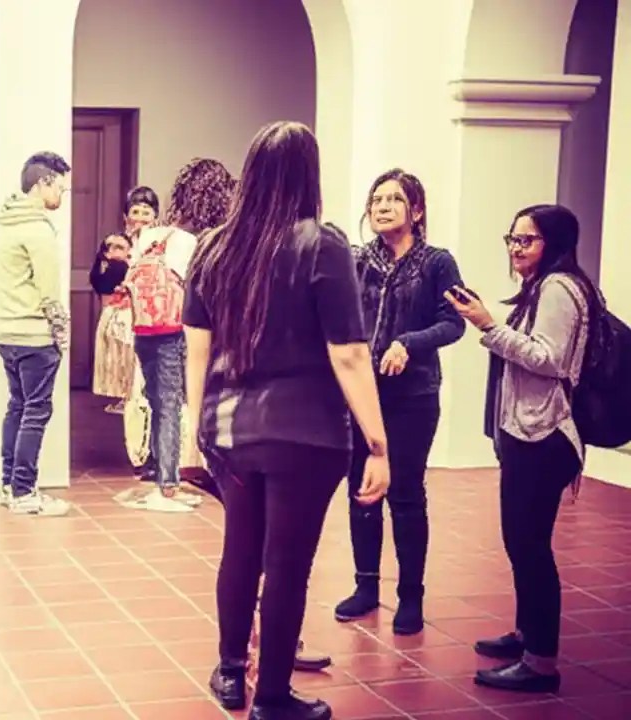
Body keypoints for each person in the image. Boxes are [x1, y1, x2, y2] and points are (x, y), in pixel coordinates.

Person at [183, 121, 390, 719]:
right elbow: (348, 352)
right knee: (287, 566)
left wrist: (199, 432)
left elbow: (196, 349)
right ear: (309, 173)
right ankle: (272, 698)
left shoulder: (214, 245)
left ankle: (229, 673)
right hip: (305, 434)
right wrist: (378, 444)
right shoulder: (320, 244)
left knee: (240, 553)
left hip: (229, 432)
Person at [446, 204, 599, 694]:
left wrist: (488, 325)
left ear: (552, 244)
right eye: (511, 238)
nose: (515, 247)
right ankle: (526, 633)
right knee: (521, 542)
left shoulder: (559, 288)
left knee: (530, 547)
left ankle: (540, 662)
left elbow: (547, 358)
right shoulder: (542, 286)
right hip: (525, 432)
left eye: (526, 240)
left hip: (544, 435)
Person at [334, 169, 465, 635]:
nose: (383, 206)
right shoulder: (355, 259)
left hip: (414, 396)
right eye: (376, 199)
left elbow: (455, 323)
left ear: (417, 210)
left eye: (394, 199)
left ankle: (410, 595)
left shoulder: (436, 262)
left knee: (406, 494)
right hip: (361, 395)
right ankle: (366, 587)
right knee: (362, 491)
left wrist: (409, 342)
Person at [118, 159, 236, 513]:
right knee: (174, 406)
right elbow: (197, 291)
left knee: (158, 404)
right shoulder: (187, 241)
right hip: (173, 332)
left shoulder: (151, 235)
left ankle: (162, 477)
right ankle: (167, 487)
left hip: (145, 330)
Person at [0, 151, 72, 516]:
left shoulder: (6, 223)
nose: (62, 195)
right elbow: (49, 292)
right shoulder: (38, 229)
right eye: (61, 187)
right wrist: (61, 335)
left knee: (18, 407)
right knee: (36, 411)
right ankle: (25, 493)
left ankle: (10, 486)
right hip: (34, 335)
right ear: (43, 183)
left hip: (6, 332)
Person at [91, 186, 158, 415]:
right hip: (120, 308)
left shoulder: (158, 244)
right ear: (126, 215)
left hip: (147, 307)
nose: (140, 218)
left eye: (146, 212)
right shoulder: (117, 243)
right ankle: (124, 396)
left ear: (155, 217)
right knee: (120, 353)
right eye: (135, 211)